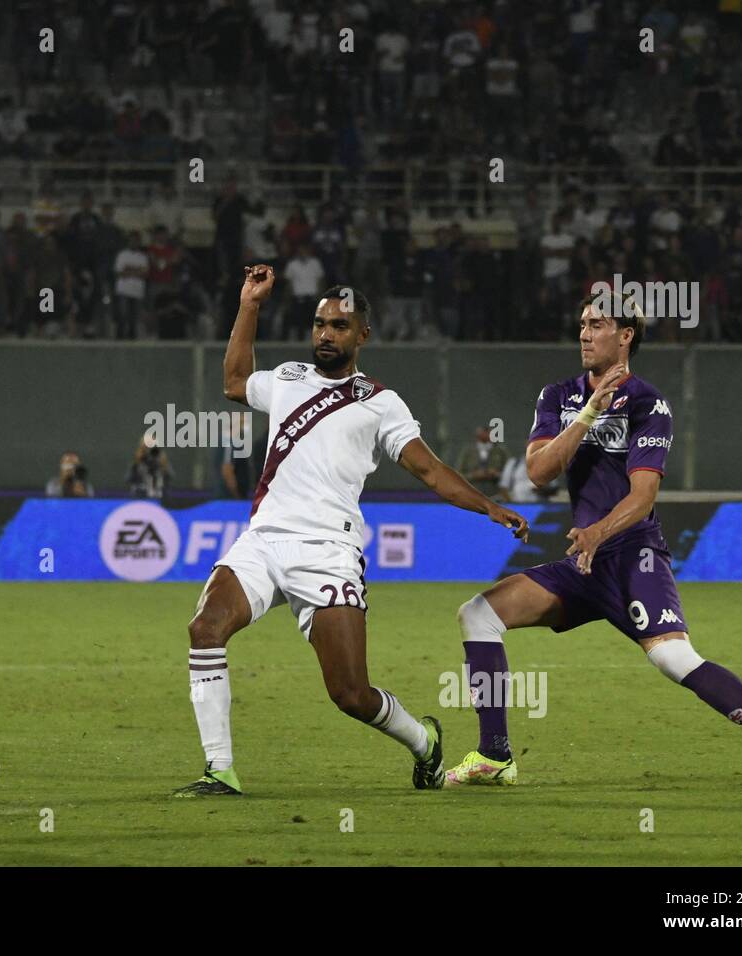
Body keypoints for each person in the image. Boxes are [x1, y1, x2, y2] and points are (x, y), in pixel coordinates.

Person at [446, 293, 742, 790]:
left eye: (597, 324)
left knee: (673, 658)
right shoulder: (557, 396)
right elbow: (538, 472)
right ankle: (495, 755)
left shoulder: (649, 403)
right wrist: (587, 415)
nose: (584, 333)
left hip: (632, 556)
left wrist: (598, 533)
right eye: (583, 323)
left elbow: (642, 497)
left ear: (625, 336)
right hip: (584, 563)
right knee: (478, 614)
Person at [175, 269, 530, 797]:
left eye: (339, 326)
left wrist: (488, 507)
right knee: (205, 629)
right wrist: (250, 303)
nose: (325, 334)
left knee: (349, 693)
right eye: (319, 324)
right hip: (264, 540)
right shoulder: (288, 377)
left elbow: (429, 470)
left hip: (330, 552)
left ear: (362, 335)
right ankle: (219, 771)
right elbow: (233, 382)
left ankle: (423, 741)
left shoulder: (381, 403)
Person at [455, 424, 509, 495]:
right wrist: (473, 475)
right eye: (483, 432)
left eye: (487, 432)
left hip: (495, 492)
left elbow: (509, 472)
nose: (486, 435)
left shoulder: (500, 451)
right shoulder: (468, 452)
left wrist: (496, 474)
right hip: (472, 491)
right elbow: (458, 473)